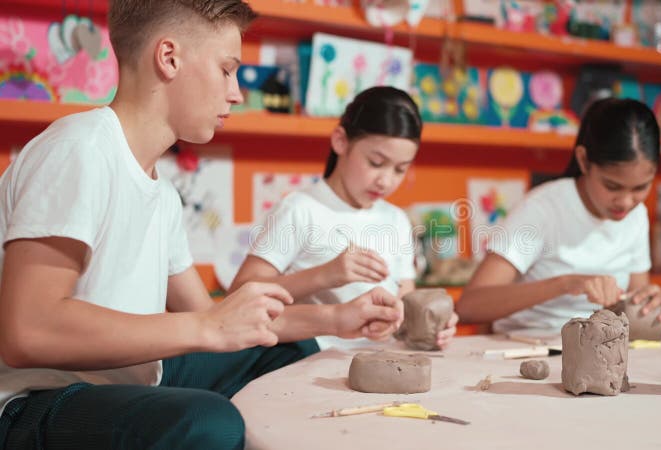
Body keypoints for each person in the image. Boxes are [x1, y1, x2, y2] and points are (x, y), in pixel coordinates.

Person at [0, 2, 401, 448]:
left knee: (288, 350)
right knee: (208, 421)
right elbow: (27, 331)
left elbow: (210, 316)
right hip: (33, 399)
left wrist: (338, 318)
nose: (236, 93)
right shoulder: (80, 150)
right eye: (227, 70)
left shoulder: (163, 194)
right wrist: (207, 327)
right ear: (169, 58)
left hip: (121, 378)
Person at [231, 86, 458, 350]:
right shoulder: (301, 209)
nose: (385, 181)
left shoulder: (396, 220)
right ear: (340, 141)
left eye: (400, 169)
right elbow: (239, 296)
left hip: (383, 361)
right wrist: (326, 275)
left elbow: (405, 303)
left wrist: (432, 320)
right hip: (310, 366)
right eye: (375, 162)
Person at [456, 98, 661, 334]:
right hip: (529, 350)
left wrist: (653, 305)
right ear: (583, 160)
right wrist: (565, 284)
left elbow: (634, 308)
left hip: (600, 352)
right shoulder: (542, 209)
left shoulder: (637, 215)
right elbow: (469, 306)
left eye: (640, 188)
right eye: (612, 186)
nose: (625, 202)